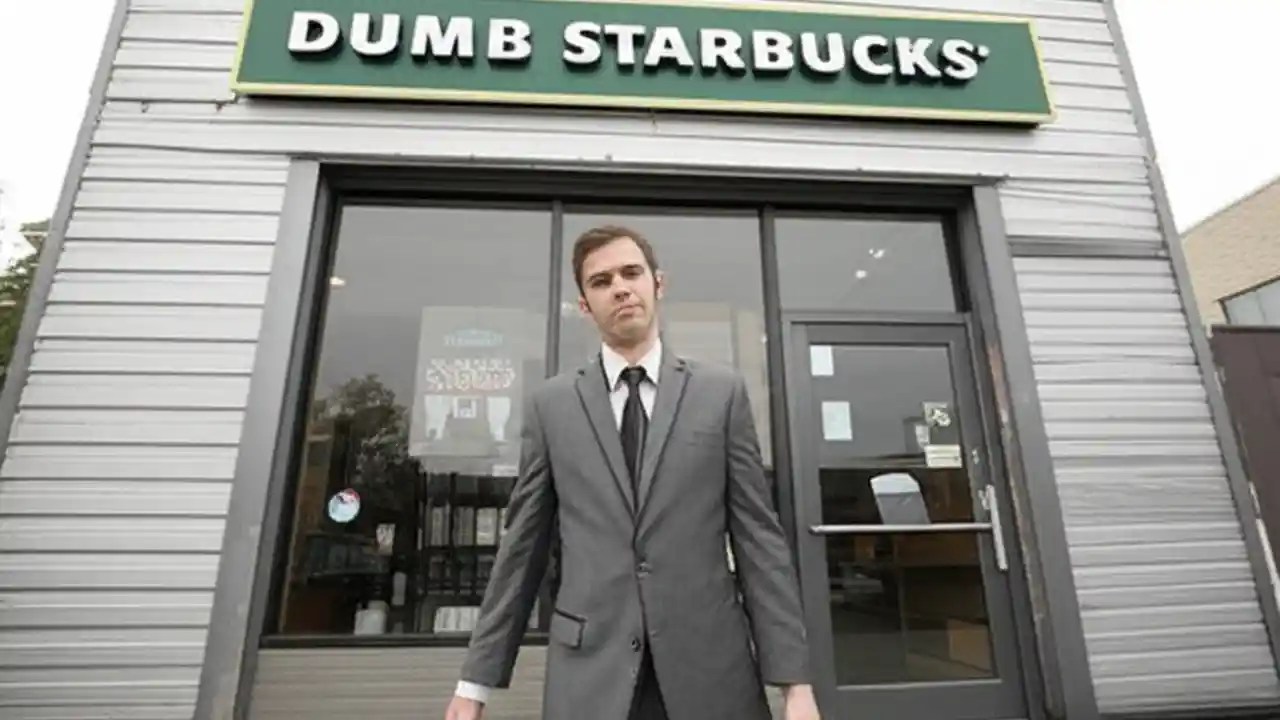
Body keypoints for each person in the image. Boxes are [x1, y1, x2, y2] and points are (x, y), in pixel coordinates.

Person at [444, 225, 820, 720]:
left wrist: (795, 683)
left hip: (710, 671)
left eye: (631, 273)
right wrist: (474, 684)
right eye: (601, 281)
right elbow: (521, 553)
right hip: (591, 676)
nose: (620, 287)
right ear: (584, 305)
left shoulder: (720, 395)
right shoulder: (552, 407)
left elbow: (758, 541)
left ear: (658, 284)